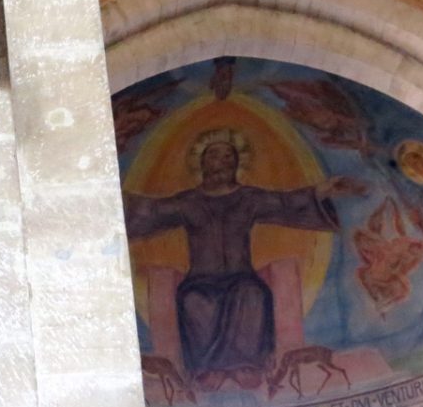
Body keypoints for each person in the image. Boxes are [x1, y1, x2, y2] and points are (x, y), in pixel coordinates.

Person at [124, 130, 367, 390]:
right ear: (202, 163)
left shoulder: (249, 198)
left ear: (238, 163)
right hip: (200, 280)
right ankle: (206, 370)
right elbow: (154, 211)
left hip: (242, 276)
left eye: (229, 155)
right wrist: (116, 200)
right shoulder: (188, 202)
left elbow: (284, 204)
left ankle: (247, 365)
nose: (223, 161)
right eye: (215, 155)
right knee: (194, 301)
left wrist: (321, 191)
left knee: (252, 295)